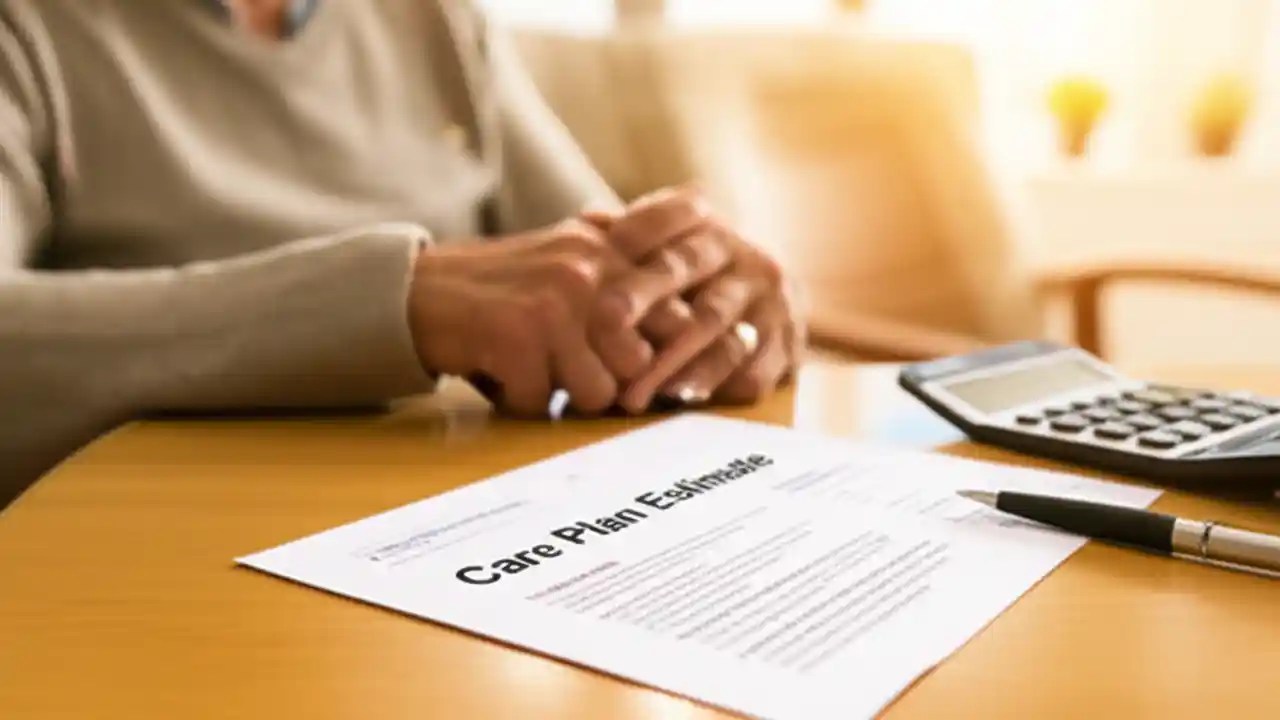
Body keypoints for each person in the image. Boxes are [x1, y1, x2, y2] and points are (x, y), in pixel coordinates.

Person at [0, 0, 801, 506]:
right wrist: (403, 301)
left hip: (463, 538)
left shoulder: (433, 17)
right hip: (154, 562)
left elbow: (603, 273)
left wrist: (705, 291)